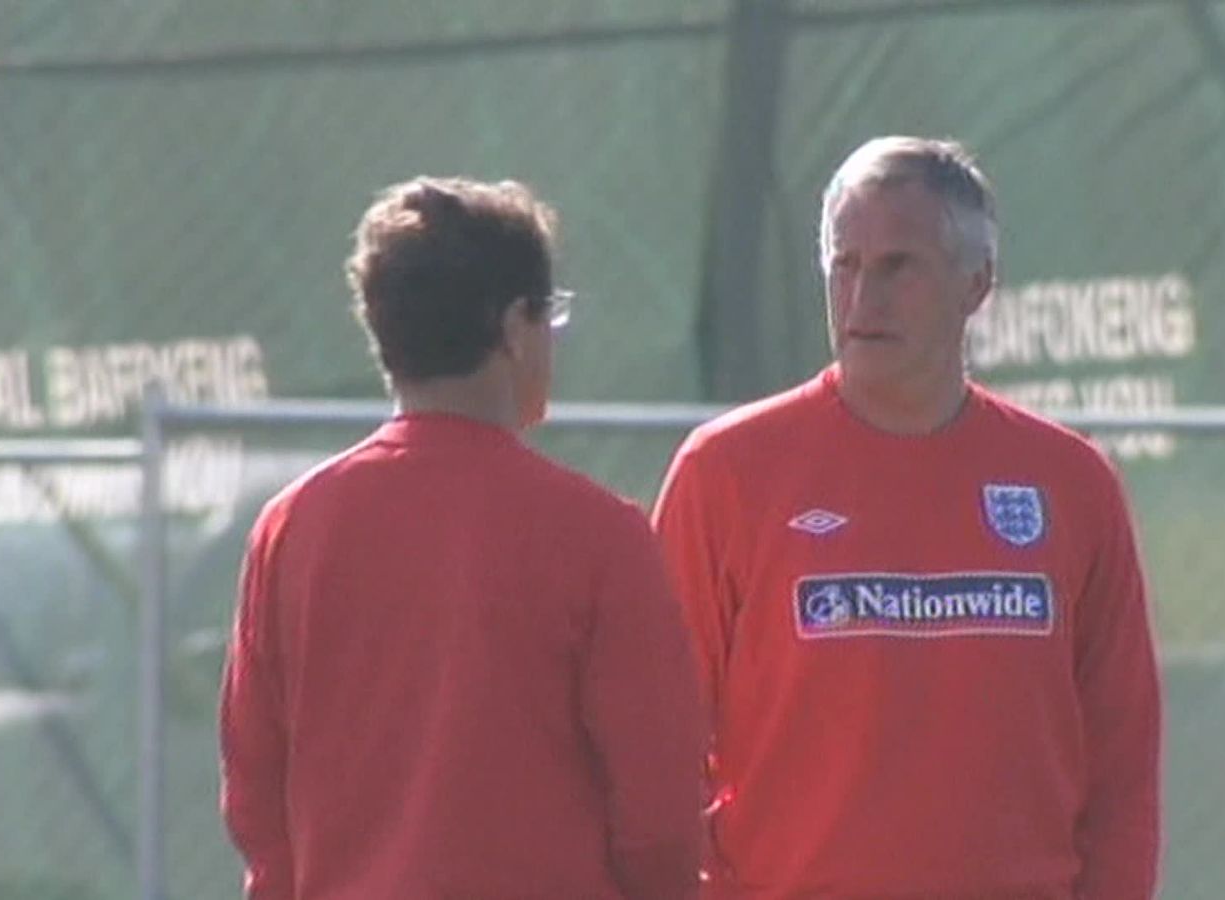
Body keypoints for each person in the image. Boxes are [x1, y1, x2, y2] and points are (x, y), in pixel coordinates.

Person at [652, 137, 1161, 900]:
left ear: (977, 284)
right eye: (845, 266)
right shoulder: (724, 473)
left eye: (898, 267)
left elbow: (1122, 762)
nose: (863, 301)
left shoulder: (1070, 484)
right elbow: (656, 746)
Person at [220, 176, 704, 900]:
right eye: (549, 318)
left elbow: (257, 797)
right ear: (513, 326)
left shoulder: (291, 529)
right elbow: (660, 818)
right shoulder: (599, 536)